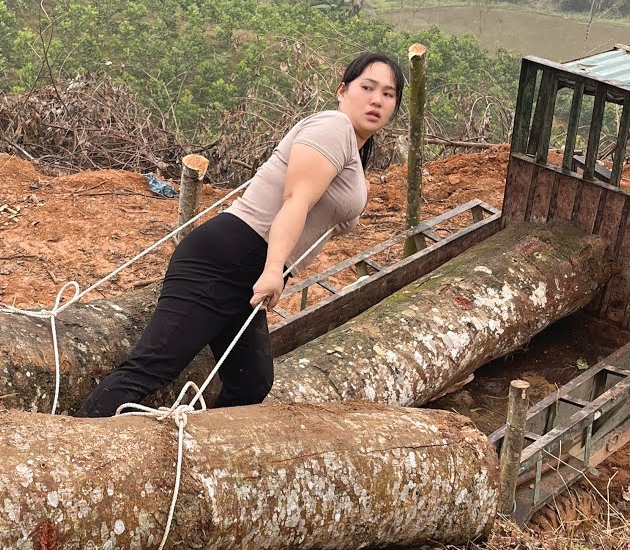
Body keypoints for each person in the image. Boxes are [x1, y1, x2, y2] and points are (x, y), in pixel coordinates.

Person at [76, 52, 404, 418]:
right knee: (153, 367)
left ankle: (197, 445)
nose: (377, 100)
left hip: (249, 265)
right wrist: (273, 268)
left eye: (388, 94)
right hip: (228, 257)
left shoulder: (355, 152)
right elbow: (295, 200)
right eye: (367, 88)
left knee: (251, 383)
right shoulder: (334, 127)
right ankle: (75, 441)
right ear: (342, 91)